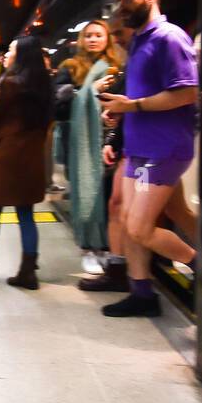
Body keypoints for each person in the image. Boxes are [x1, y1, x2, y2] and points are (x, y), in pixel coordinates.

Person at [98, 0, 199, 317]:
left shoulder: (170, 38)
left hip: (164, 149)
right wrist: (121, 112)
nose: (121, 8)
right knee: (134, 222)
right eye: (119, 1)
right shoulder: (140, 39)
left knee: (139, 227)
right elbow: (142, 95)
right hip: (140, 148)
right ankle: (142, 293)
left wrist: (133, 106)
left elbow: (186, 92)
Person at [0, 35, 55, 289]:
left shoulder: (10, 83)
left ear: (23, 56)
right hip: (30, 157)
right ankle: (28, 272)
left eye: (11, 51)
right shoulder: (44, 86)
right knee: (26, 213)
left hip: (4, 156)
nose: (5, 55)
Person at [63, 19, 122, 274]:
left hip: (109, 138)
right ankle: (88, 248)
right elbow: (59, 104)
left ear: (107, 39)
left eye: (98, 35)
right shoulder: (70, 67)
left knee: (109, 196)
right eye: (88, 36)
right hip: (82, 143)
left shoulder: (115, 68)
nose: (93, 40)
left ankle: (106, 247)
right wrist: (88, 92)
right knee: (86, 193)